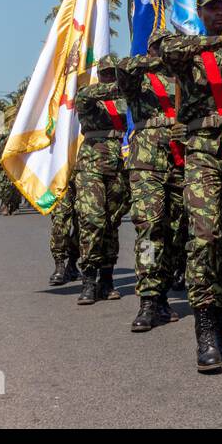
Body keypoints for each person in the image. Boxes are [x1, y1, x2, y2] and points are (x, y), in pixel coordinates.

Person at [160, 0, 222, 373]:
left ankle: (219, 325)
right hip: (202, 153)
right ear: (199, 12)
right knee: (206, 236)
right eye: (212, 8)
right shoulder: (190, 52)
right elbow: (164, 49)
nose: (219, 13)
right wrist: (212, 44)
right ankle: (205, 333)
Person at [115, 35, 187, 331]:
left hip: (181, 160)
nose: (167, 50)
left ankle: (162, 293)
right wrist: (156, 60)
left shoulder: (185, 77)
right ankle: (147, 298)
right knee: (149, 228)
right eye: (160, 46)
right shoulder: (139, 80)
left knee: (175, 230)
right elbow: (123, 69)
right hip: (147, 163)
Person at [72, 56, 130, 305]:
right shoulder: (89, 95)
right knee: (92, 219)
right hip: (91, 166)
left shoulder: (126, 100)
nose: (109, 77)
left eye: (113, 73)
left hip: (119, 165)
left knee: (111, 223)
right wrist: (119, 86)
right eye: (105, 73)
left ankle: (107, 279)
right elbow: (82, 100)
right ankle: (88, 278)